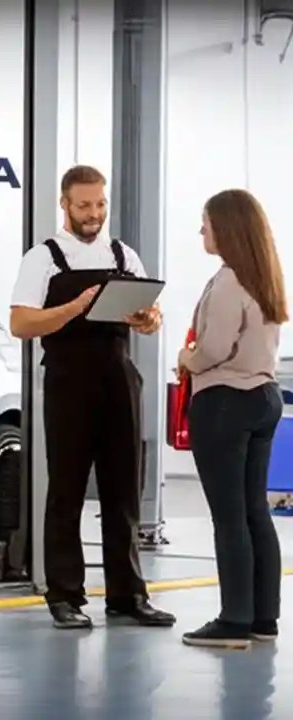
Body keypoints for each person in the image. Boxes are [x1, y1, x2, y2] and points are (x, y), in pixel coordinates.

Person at [8, 164, 177, 630]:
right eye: (84, 205)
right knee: (66, 489)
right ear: (64, 204)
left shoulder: (123, 254)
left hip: (119, 378)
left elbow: (150, 312)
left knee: (123, 489)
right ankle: (64, 595)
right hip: (68, 381)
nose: (94, 214)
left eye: (100, 204)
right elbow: (21, 323)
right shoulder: (42, 258)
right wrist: (74, 307)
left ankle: (128, 595)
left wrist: (149, 319)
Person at [177, 189, 286, 649]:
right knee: (255, 512)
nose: (201, 230)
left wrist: (186, 356)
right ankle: (264, 618)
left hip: (224, 402)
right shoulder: (266, 278)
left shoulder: (227, 281)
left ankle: (234, 620)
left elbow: (215, 350)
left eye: (206, 222)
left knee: (229, 518)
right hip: (264, 396)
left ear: (227, 227)